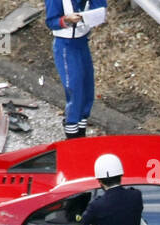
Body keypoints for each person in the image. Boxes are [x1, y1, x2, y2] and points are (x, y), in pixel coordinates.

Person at [44, 0, 107, 139]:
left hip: (82, 41)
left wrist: (94, 14)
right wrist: (66, 20)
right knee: (74, 86)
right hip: (65, 44)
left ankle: (81, 130)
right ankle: (72, 132)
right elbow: (51, 21)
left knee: (87, 86)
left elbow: (100, 7)